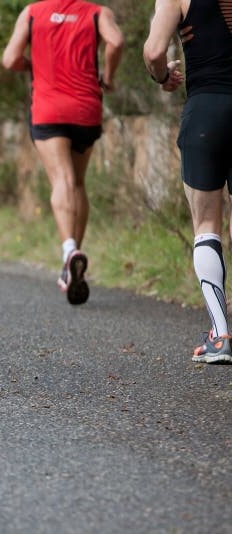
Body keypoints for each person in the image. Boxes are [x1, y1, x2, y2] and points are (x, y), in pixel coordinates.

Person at [2, 0, 124, 305]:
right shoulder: (97, 13)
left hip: (49, 109)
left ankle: (69, 249)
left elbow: (10, 59)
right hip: (86, 110)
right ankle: (72, 259)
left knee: (62, 180)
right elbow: (117, 41)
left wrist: (31, 65)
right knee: (77, 183)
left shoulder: (32, 13)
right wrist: (109, 77)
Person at [144, 0, 232, 364]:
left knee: (206, 224)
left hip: (206, 111)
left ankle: (221, 336)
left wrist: (163, 77)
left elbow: (154, 51)